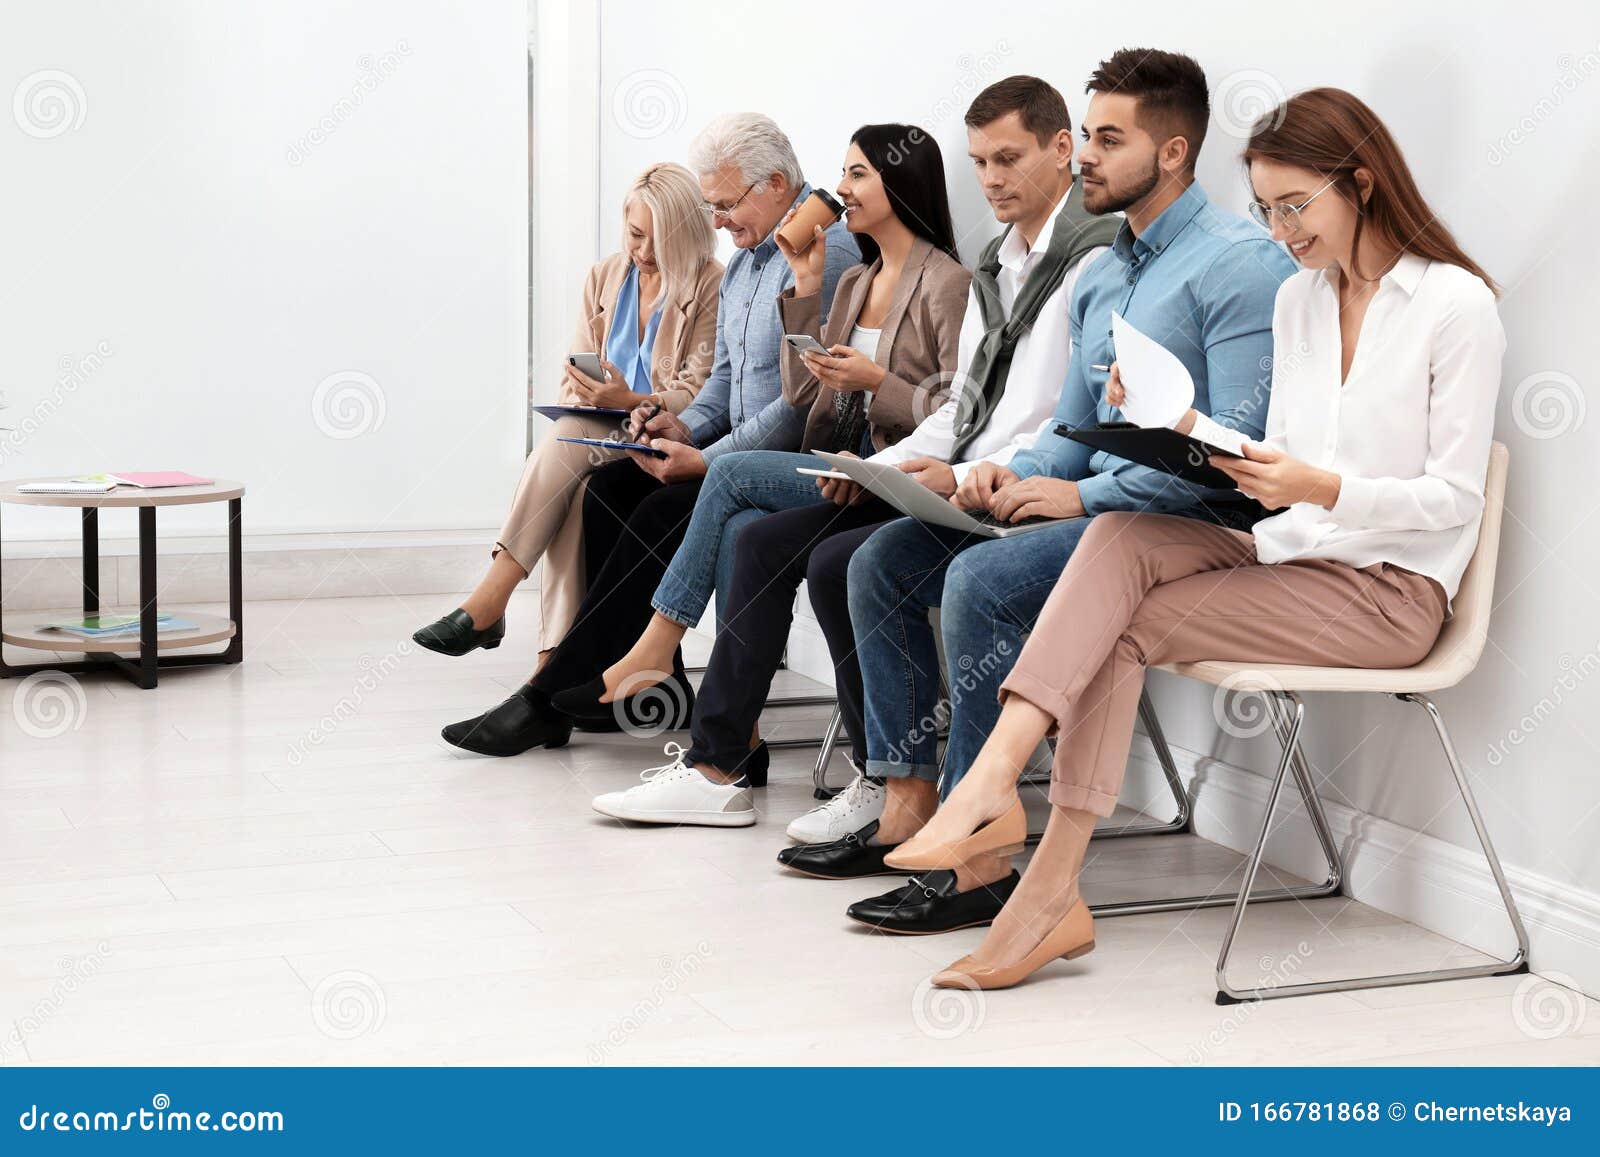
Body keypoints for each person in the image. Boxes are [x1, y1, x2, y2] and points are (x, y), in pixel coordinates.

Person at [888, 85, 1505, 990]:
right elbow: (1284, 454)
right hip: (1292, 547)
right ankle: (997, 791)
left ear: (1363, 184)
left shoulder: (1454, 304)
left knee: (1120, 617)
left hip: (1387, 592)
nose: (1282, 230)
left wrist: (1319, 485)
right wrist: (1193, 436)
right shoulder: (1302, 299)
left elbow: (1453, 497)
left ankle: (1039, 876)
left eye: (1296, 206)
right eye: (1265, 209)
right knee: (1122, 537)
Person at [828, 49, 1297, 937]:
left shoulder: (1240, 264)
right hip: (1103, 507)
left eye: (1106, 138)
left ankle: (980, 862)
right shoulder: (1108, 272)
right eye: (1085, 133)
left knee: (982, 581)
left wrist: (1081, 500)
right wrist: (1019, 474)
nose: (1083, 154)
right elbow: (1071, 429)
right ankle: (911, 800)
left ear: (1172, 151)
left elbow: (1233, 457)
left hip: (1189, 525)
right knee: (887, 557)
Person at [568, 124, 970, 826]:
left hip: (908, 473)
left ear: (900, 186)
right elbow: (810, 399)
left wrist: (877, 380)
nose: (839, 190)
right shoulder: (850, 278)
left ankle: (661, 644)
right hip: (848, 465)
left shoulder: (948, 282)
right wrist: (807, 298)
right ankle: (718, 766)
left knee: (730, 485)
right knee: (748, 536)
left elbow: (961, 411)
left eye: (857, 176)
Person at [440, 112, 859, 757]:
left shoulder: (821, 257)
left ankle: (546, 697)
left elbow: (797, 403)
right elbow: (725, 379)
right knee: (610, 489)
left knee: (662, 507)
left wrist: (706, 460)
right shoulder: (750, 261)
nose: (717, 221)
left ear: (774, 184)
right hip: (730, 450)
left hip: (784, 459)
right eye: (712, 207)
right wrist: (679, 424)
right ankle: (638, 684)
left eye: (724, 205)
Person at [411, 163, 720, 663]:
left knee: (565, 453)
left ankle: (494, 604)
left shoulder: (710, 284)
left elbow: (700, 393)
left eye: (657, 241)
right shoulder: (604, 278)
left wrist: (626, 403)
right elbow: (574, 376)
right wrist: (597, 402)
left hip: (664, 436)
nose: (642, 252)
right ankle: (548, 666)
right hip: (599, 434)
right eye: (635, 234)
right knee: (571, 488)